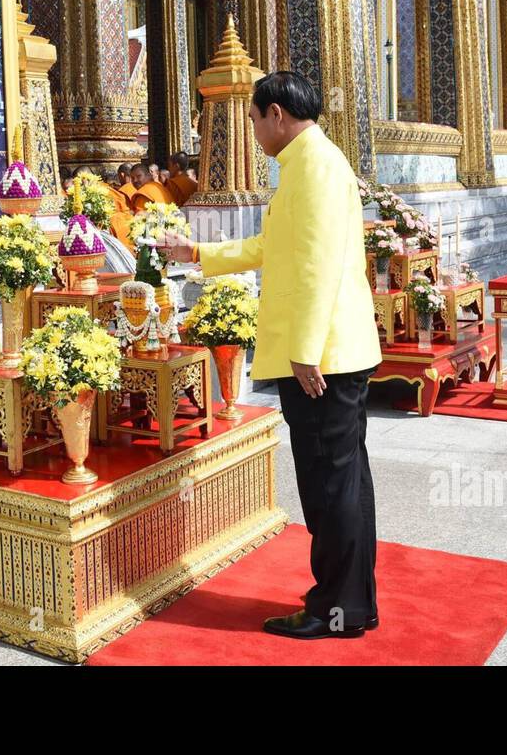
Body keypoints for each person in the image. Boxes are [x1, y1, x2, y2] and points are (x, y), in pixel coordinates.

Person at [160, 71, 382, 640]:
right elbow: (273, 248)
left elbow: (319, 266)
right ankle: (349, 602)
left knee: (330, 485)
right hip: (329, 352)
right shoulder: (309, 163)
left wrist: (306, 352)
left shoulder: (316, 167)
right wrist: (198, 251)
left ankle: (333, 607)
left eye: (256, 119)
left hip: (322, 358)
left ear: (277, 114)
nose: (255, 131)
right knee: (343, 480)